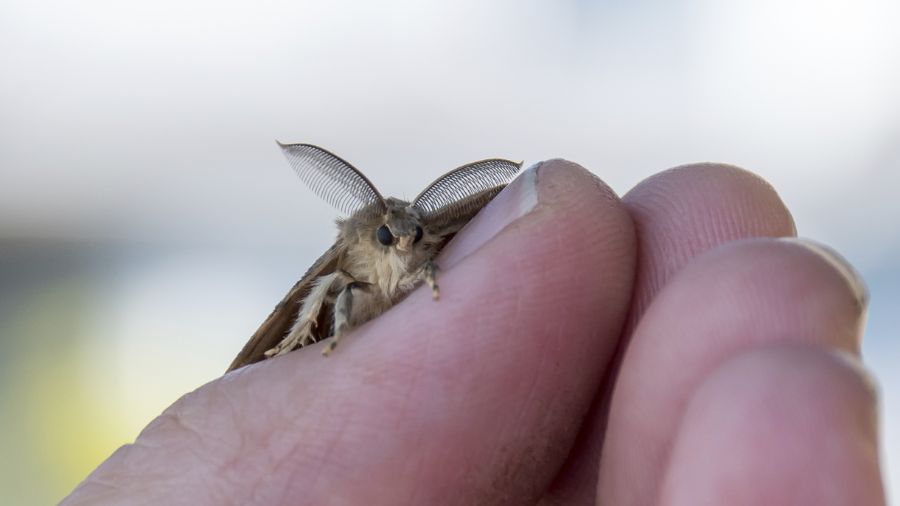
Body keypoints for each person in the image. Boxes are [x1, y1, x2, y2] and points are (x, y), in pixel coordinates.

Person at [62, 161, 886, 505]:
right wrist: (313, 347)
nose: (409, 248)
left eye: (416, 239)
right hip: (310, 358)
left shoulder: (420, 242)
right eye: (395, 242)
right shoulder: (350, 266)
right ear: (370, 244)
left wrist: (430, 266)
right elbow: (324, 297)